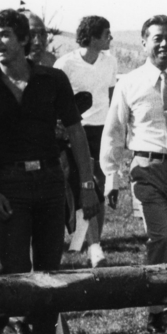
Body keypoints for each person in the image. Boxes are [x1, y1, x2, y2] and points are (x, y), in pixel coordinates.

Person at [0, 9, 99, 334]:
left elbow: (76, 134)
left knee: (49, 269)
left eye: (5, 34)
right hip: (9, 183)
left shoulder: (53, 80)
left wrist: (87, 185)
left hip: (51, 181)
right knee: (11, 268)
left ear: (24, 39)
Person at [101, 15, 167, 334]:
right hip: (146, 169)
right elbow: (114, 131)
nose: (164, 44)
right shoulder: (129, 83)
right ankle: (156, 309)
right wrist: (111, 176)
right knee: (162, 237)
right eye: (157, 38)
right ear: (144, 42)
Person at [55, 15, 117, 267]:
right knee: (83, 185)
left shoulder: (110, 61)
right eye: (106, 34)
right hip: (76, 133)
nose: (111, 38)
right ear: (92, 38)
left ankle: (94, 244)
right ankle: (90, 244)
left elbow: (112, 96)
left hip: (103, 131)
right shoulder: (65, 64)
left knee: (99, 185)